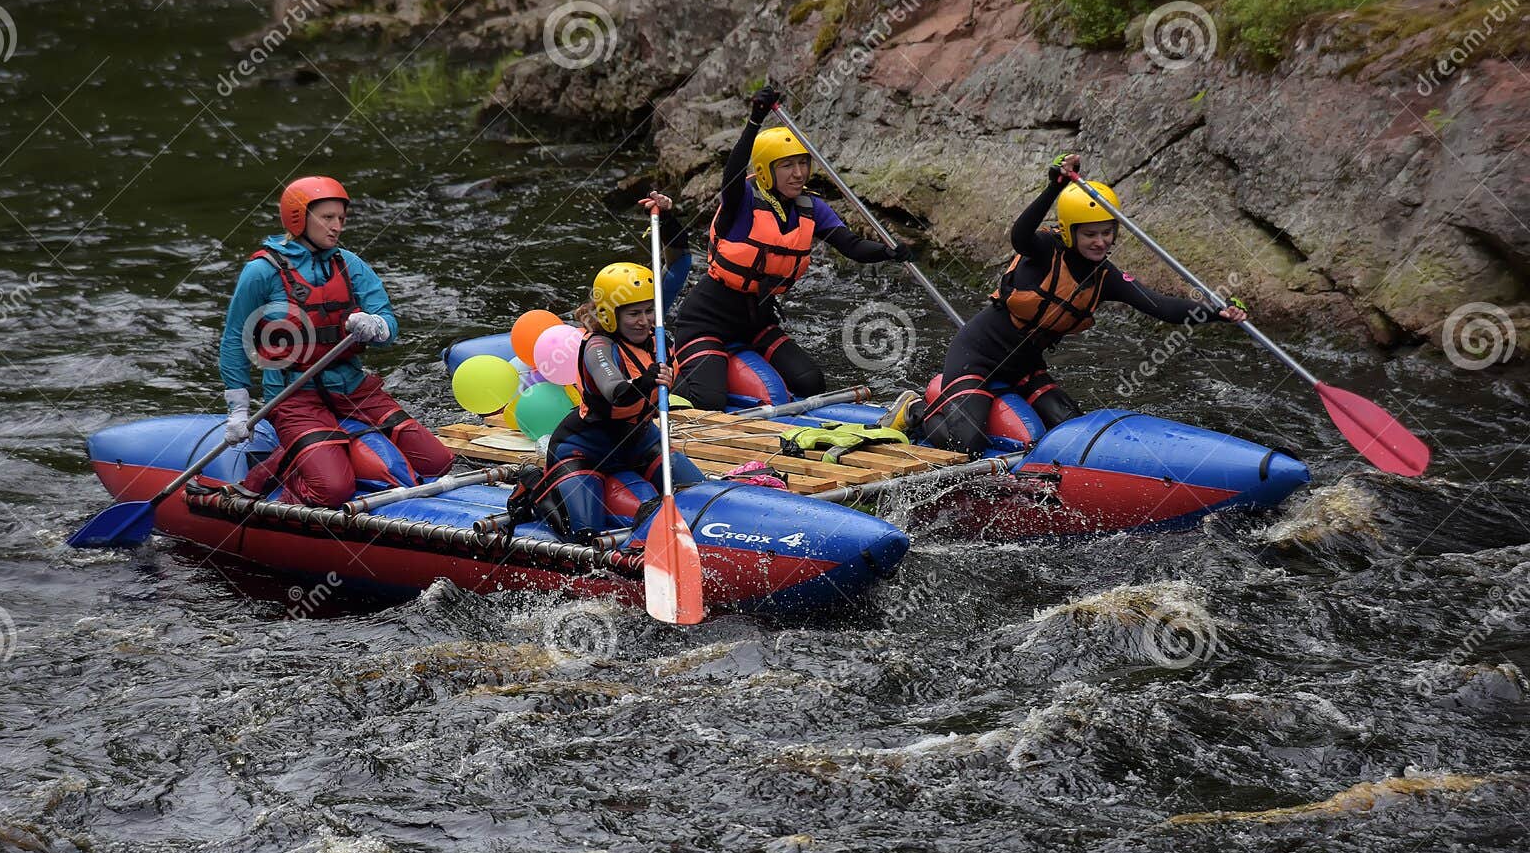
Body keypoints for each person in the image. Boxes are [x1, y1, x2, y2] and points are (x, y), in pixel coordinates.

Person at [911, 154, 1248, 455]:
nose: (1100, 242)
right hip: (977, 359)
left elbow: (1160, 307)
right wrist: (1053, 187)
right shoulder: (1044, 249)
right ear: (1070, 232)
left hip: (1024, 368)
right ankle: (914, 412)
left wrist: (1216, 312)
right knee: (966, 444)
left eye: (1107, 232)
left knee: (1073, 431)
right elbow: (1020, 234)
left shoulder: (1106, 277)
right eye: (1090, 234)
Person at [671, 85, 916, 411]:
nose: (799, 173)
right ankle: (679, 374)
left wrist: (888, 252)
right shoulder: (740, 200)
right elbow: (732, 172)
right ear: (764, 171)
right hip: (706, 320)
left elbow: (852, 246)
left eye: (803, 164)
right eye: (787, 166)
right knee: (708, 400)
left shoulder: (811, 208)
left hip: (757, 320)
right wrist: (755, 120)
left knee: (810, 381)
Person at [219, 176, 453, 505]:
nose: (337, 226)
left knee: (437, 461)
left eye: (341, 218)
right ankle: (274, 486)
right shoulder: (261, 272)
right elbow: (233, 339)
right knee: (332, 489)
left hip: (352, 387)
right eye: (327, 217)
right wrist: (238, 409)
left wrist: (376, 326)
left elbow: (388, 322)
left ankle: (305, 452)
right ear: (298, 218)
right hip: (294, 397)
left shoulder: (349, 263)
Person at [528, 261, 706, 540]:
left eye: (649, 312)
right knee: (584, 532)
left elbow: (680, 264)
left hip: (639, 441)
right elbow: (615, 391)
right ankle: (536, 490)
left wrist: (672, 224)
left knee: (701, 493)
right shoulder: (599, 346)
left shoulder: (655, 338)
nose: (644, 320)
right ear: (610, 316)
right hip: (584, 450)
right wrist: (647, 380)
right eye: (634, 313)